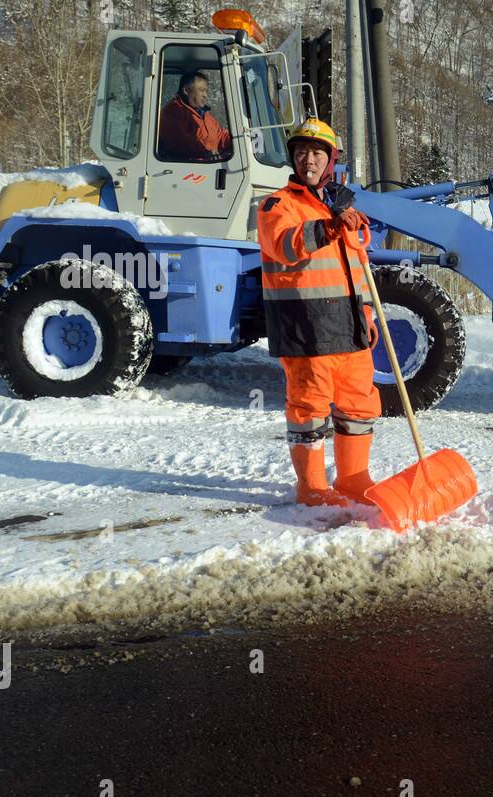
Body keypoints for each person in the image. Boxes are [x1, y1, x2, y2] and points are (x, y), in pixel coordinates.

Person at [257, 118, 380, 507]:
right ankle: (311, 487)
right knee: (309, 407)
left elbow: (356, 266)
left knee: (359, 403)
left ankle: (354, 479)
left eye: (317, 153)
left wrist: (367, 314)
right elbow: (286, 245)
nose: (308, 159)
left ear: (330, 160)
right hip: (305, 325)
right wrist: (330, 225)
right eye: (301, 152)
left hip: (349, 325)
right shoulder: (277, 204)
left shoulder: (340, 207)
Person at [158, 72, 232, 161]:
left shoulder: (205, 115)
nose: (205, 95)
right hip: (190, 168)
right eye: (201, 90)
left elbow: (220, 136)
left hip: (210, 165)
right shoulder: (172, 112)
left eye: (206, 91)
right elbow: (180, 141)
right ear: (186, 91)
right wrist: (206, 152)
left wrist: (237, 139)